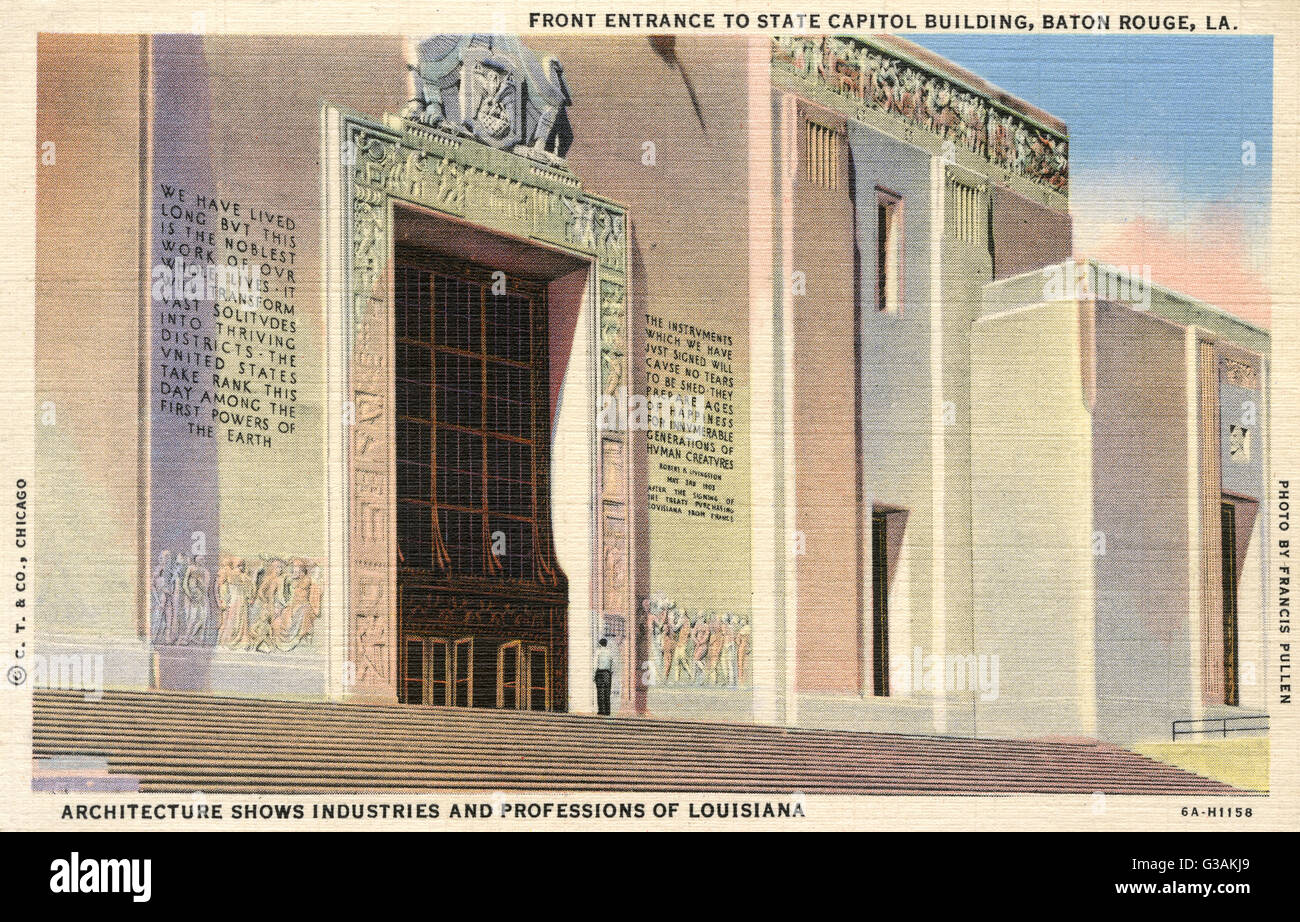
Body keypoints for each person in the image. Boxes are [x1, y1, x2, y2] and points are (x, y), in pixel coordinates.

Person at [594, 637, 613, 716]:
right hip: (607, 673)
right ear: (606, 644)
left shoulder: (598, 652)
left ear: (600, 644)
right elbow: (612, 664)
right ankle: (608, 711)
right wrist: (610, 673)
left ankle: (601, 710)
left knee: (600, 692)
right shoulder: (609, 652)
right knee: (607, 692)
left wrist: (594, 675)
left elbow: (595, 664)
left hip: (600, 673)